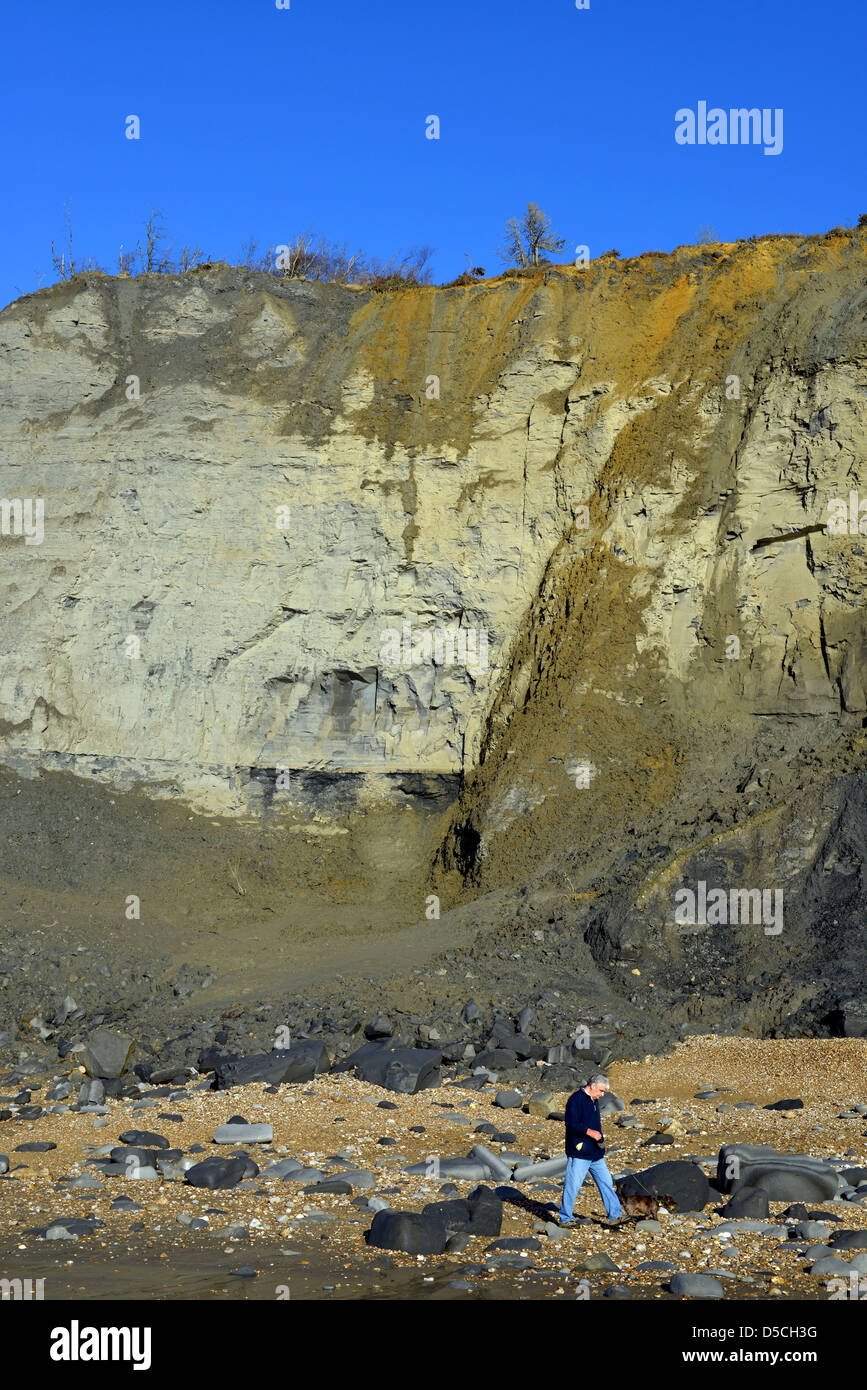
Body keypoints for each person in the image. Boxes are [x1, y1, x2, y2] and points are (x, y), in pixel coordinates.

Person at [558, 1072, 623, 1227]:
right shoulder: (575, 1099)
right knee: (572, 1186)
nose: (602, 1094)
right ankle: (565, 1219)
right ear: (593, 1086)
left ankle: (616, 1216)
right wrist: (589, 1132)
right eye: (601, 1091)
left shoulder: (594, 1100)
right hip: (579, 1152)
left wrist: (600, 1139)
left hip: (595, 1153)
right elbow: (571, 1124)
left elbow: (595, 1126)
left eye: (604, 1092)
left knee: (606, 1182)